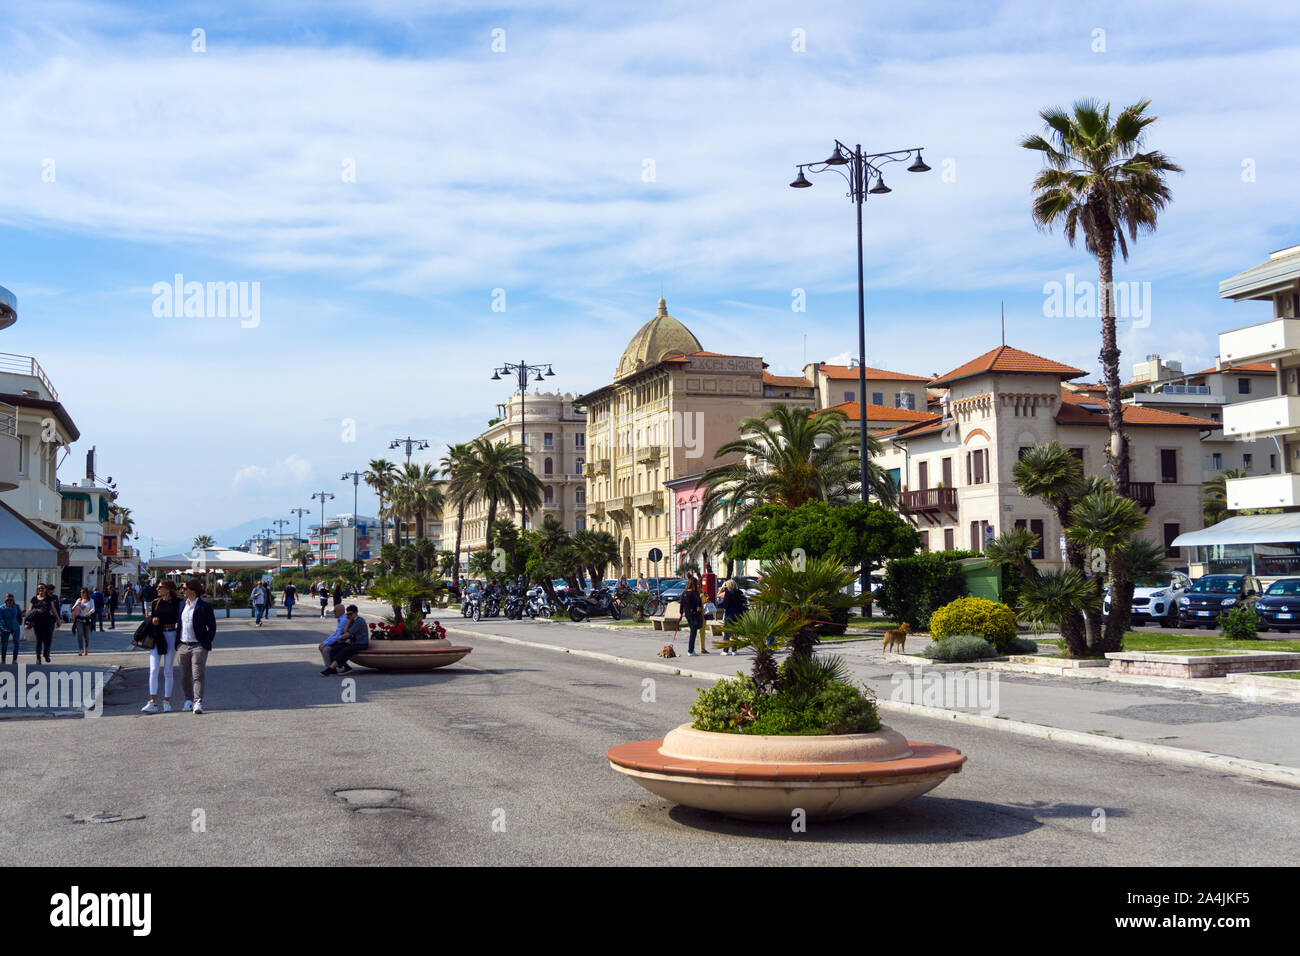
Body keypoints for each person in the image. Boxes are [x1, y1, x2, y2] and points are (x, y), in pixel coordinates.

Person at [176, 578, 217, 714]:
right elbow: (179, 625)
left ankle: (197, 701)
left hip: (198, 646)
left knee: (197, 675)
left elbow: (212, 626)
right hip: (183, 645)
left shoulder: (204, 606)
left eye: (184, 588)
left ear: (193, 590)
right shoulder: (182, 605)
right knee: (184, 676)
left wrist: (206, 642)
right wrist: (177, 644)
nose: (182, 590)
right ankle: (188, 700)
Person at [141, 579, 182, 713]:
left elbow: (180, 620)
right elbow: (151, 617)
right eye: (158, 587)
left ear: (168, 589)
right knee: (153, 669)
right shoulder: (155, 603)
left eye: (160, 587)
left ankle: (166, 701)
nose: (157, 589)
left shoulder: (178, 603)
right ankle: (152, 701)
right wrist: (152, 620)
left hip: (171, 634)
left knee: (168, 670)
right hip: (157, 636)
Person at [322, 604, 368, 676]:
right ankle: (345, 668)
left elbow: (349, 634)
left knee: (345, 651)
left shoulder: (359, 621)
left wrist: (340, 638)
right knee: (335, 649)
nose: (349, 615)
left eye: (350, 614)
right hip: (354, 643)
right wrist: (349, 621)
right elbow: (345, 631)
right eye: (348, 614)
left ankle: (330, 669)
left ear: (356, 613)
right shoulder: (352, 620)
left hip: (361, 643)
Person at [26, 583, 57, 663]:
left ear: (45, 589)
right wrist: (35, 613)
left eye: (42, 588)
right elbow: (30, 611)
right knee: (39, 640)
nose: (40, 590)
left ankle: (46, 654)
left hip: (48, 622)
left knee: (48, 640)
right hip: (37, 622)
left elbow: (53, 610)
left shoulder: (49, 599)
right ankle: (38, 658)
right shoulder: (34, 599)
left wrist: (58, 620)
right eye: (39, 588)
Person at [719, 579, 747, 656]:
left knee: (727, 633)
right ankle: (734, 650)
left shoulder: (727, 593)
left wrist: (722, 588)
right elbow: (744, 603)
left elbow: (722, 601)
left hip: (729, 614)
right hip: (738, 614)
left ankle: (725, 650)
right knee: (735, 632)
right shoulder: (740, 592)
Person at [681, 578, 706, 656]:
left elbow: (681, 604)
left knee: (693, 631)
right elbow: (699, 602)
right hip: (694, 614)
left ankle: (691, 650)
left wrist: (681, 613)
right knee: (693, 632)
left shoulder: (684, 593)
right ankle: (691, 650)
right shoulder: (694, 593)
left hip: (687, 614)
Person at [317, 603, 347, 668]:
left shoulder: (343, 620)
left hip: (345, 641)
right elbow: (336, 633)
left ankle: (330, 668)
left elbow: (337, 636)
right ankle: (330, 667)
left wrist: (325, 644)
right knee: (325, 647)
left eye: (335, 611)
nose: (334, 613)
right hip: (342, 640)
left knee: (326, 649)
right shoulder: (341, 619)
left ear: (340, 611)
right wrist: (325, 642)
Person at [70, 587, 96, 656]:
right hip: (79, 619)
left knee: (86, 636)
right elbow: (73, 608)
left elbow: (93, 609)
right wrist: (77, 604)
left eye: (83, 592)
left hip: (87, 619)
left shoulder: (91, 600)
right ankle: (80, 649)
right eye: (81, 592)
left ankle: (86, 648)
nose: (82, 594)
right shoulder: (79, 600)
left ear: (87, 593)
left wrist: (89, 613)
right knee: (80, 634)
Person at [1, 593, 22, 664]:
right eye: (7, 600)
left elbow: (19, 615)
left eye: (11, 600)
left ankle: (14, 659)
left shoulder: (16, 606)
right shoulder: (1, 608)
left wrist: (20, 620)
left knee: (16, 643)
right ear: (5, 600)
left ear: (13, 600)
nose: (9, 601)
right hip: (4, 628)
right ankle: (3, 660)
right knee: (4, 644)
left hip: (15, 627)